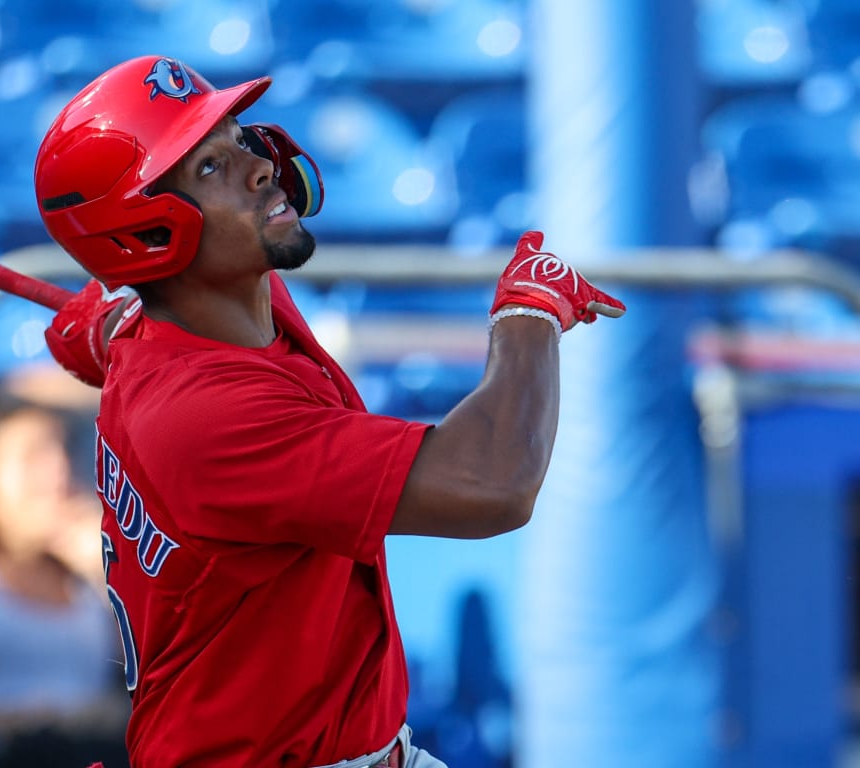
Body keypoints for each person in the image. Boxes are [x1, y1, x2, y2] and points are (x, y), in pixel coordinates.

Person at [33, 56, 627, 767]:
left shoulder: (194, 321)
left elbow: (144, 335)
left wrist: (112, 320)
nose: (259, 168)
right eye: (210, 168)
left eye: (239, 138)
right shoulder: (201, 416)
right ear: (153, 236)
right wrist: (529, 316)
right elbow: (492, 483)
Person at [0, 402, 130, 768]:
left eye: (60, 451)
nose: (58, 471)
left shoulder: (91, 576)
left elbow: (151, 673)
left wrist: (111, 572)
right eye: (34, 457)